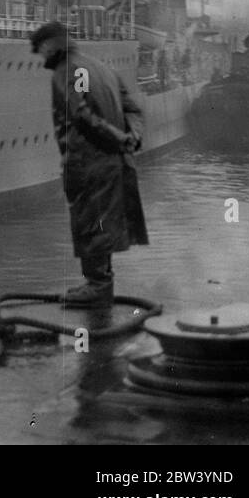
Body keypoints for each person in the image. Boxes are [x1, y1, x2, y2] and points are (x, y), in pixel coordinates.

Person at [30, 21, 147, 308]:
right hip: (115, 163)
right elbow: (133, 108)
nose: (42, 57)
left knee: (89, 221)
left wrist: (118, 139)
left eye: (41, 50)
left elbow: (80, 115)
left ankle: (97, 286)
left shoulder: (64, 72)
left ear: (50, 45)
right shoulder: (103, 68)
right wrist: (131, 136)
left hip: (87, 162)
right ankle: (101, 284)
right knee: (102, 222)